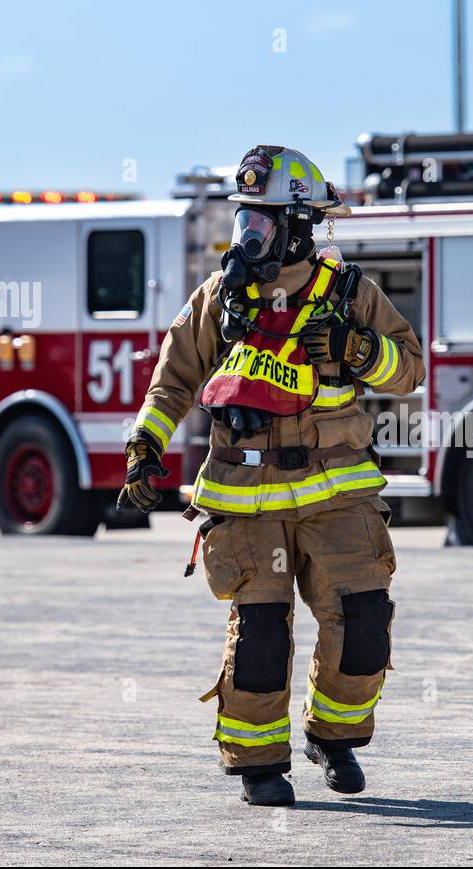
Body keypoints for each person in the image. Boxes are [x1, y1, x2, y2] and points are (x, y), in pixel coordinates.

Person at [118, 145, 424, 807]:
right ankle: (258, 764)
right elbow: (172, 382)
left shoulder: (349, 294)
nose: (248, 239)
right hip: (246, 497)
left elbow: (410, 369)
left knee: (364, 626)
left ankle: (333, 738)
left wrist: (359, 351)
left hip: (338, 494)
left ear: (297, 226)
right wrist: (145, 444)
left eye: (261, 224)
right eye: (243, 223)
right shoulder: (218, 299)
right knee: (260, 636)